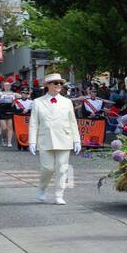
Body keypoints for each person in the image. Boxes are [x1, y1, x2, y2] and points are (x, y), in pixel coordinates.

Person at [28, 73, 81, 205]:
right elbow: (33, 123)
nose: (59, 85)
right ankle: (42, 188)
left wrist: (77, 140)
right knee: (47, 168)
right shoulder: (38, 102)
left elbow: (72, 122)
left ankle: (59, 195)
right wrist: (32, 141)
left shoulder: (67, 102)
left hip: (64, 137)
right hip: (45, 139)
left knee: (62, 169)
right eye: (56, 83)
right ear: (48, 85)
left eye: (60, 83)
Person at [0, 81, 18, 147]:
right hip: (2, 110)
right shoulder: (0, 93)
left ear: (10, 86)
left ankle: (9, 142)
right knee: (4, 128)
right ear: (3, 86)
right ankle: (3, 139)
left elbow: (22, 97)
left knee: (10, 127)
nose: (7, 86)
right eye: (6, 85)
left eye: (8, 85)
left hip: (10, 110)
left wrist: (14, 103)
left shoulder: (13, 93)